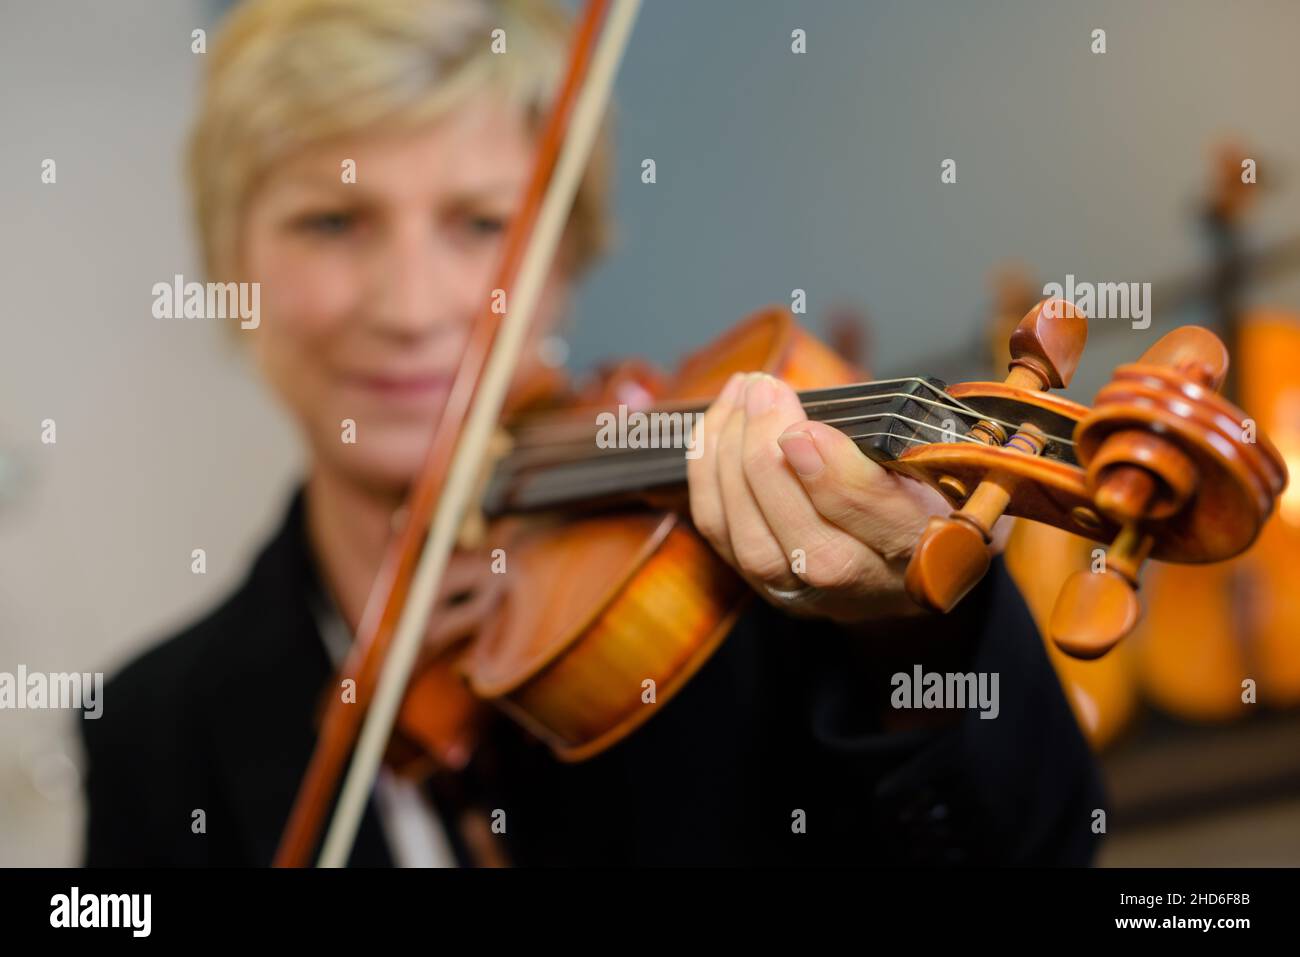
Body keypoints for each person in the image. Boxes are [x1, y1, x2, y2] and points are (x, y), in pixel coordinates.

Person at [80, 0, 1103, 866]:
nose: (409, 303)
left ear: (563, 261)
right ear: (229, 269)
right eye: (333, 223)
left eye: (482, 224)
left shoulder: (745, 591)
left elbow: (1041, 845)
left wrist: (910, 633)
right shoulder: (152, 732)